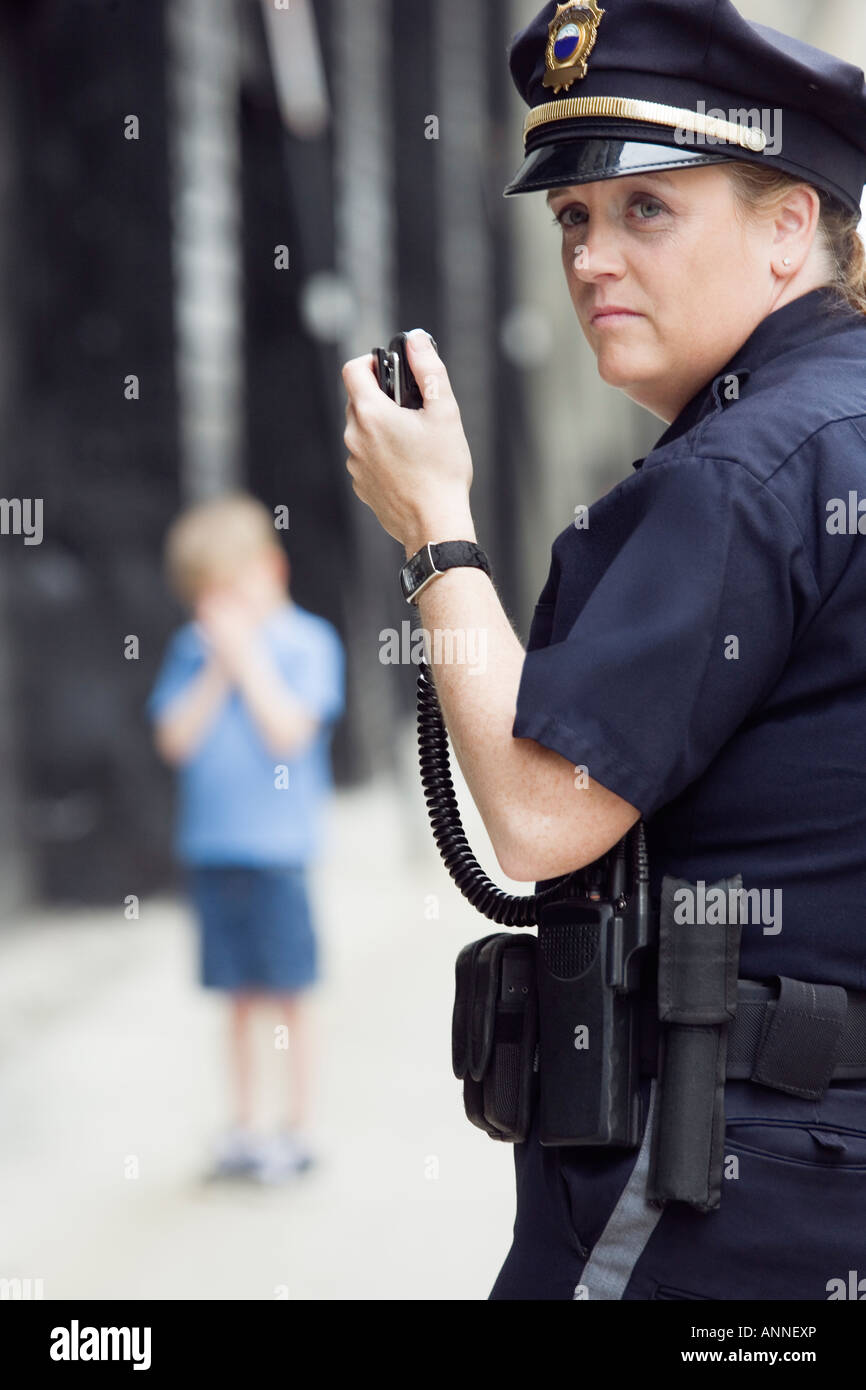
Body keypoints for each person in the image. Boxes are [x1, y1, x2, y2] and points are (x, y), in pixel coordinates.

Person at [341, 0, 866, 1299]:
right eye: (573, 218)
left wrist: (435, 532)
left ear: (788, 225)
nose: (589, 258)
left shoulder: (741, 473)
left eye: (648, 211)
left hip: (707, 1191)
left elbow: (531, 817)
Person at [147, 493, 345, 1183]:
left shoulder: (308, 643)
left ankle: (297, 1127)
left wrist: (247, 658)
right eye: (210, 599)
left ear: (272, 570)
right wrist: (215, 666)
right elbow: (174, 739)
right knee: (234, 998)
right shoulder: (188, 653)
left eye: (234, 591)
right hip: (213, 850)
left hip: (280, 854)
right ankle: (243, 1124)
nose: (222, 611)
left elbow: (288, 730)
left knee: (289, 993)